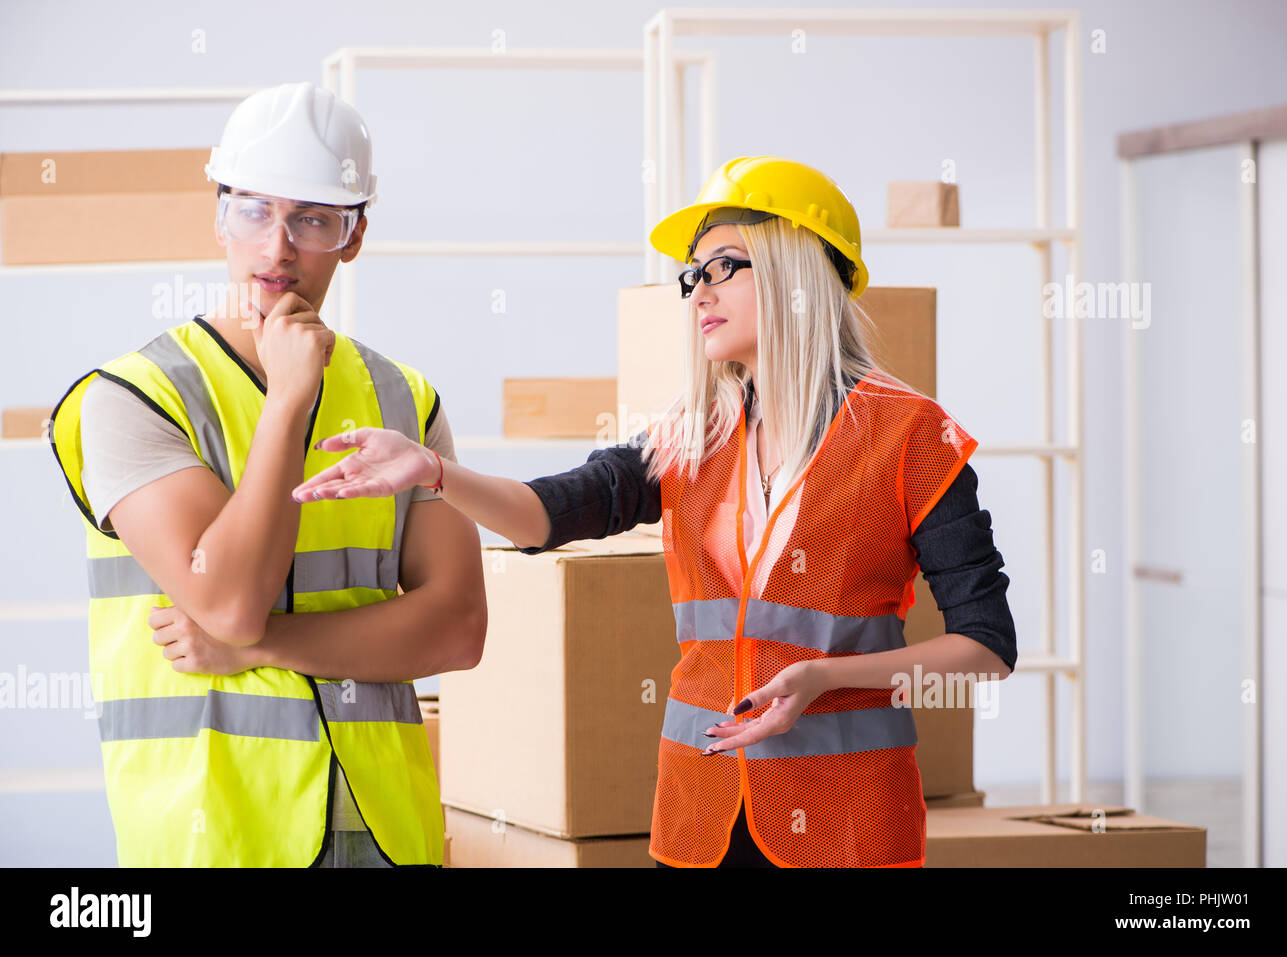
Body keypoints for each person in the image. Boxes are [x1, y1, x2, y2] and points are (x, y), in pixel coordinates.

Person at [291, 156, 1017, 868]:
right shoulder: (690, 436)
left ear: (797, 269)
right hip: (702, 816)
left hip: (846, 823)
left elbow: (985, 648)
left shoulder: (910, 436)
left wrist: (825, 679)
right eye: (692, 275)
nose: (698, 291)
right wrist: (436, 470)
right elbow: (544, 515)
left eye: (723, 266)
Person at [48, 81, 486, 867]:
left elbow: (457, 627)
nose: (277, 248)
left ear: (352, 236)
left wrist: (262, 647)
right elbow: (230, 599)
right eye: (254, 210)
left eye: (312, 219)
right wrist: (289, 400)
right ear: (219, 215)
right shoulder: (131, 399)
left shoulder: (404, 400)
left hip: (385, 828)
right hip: (217, 831)